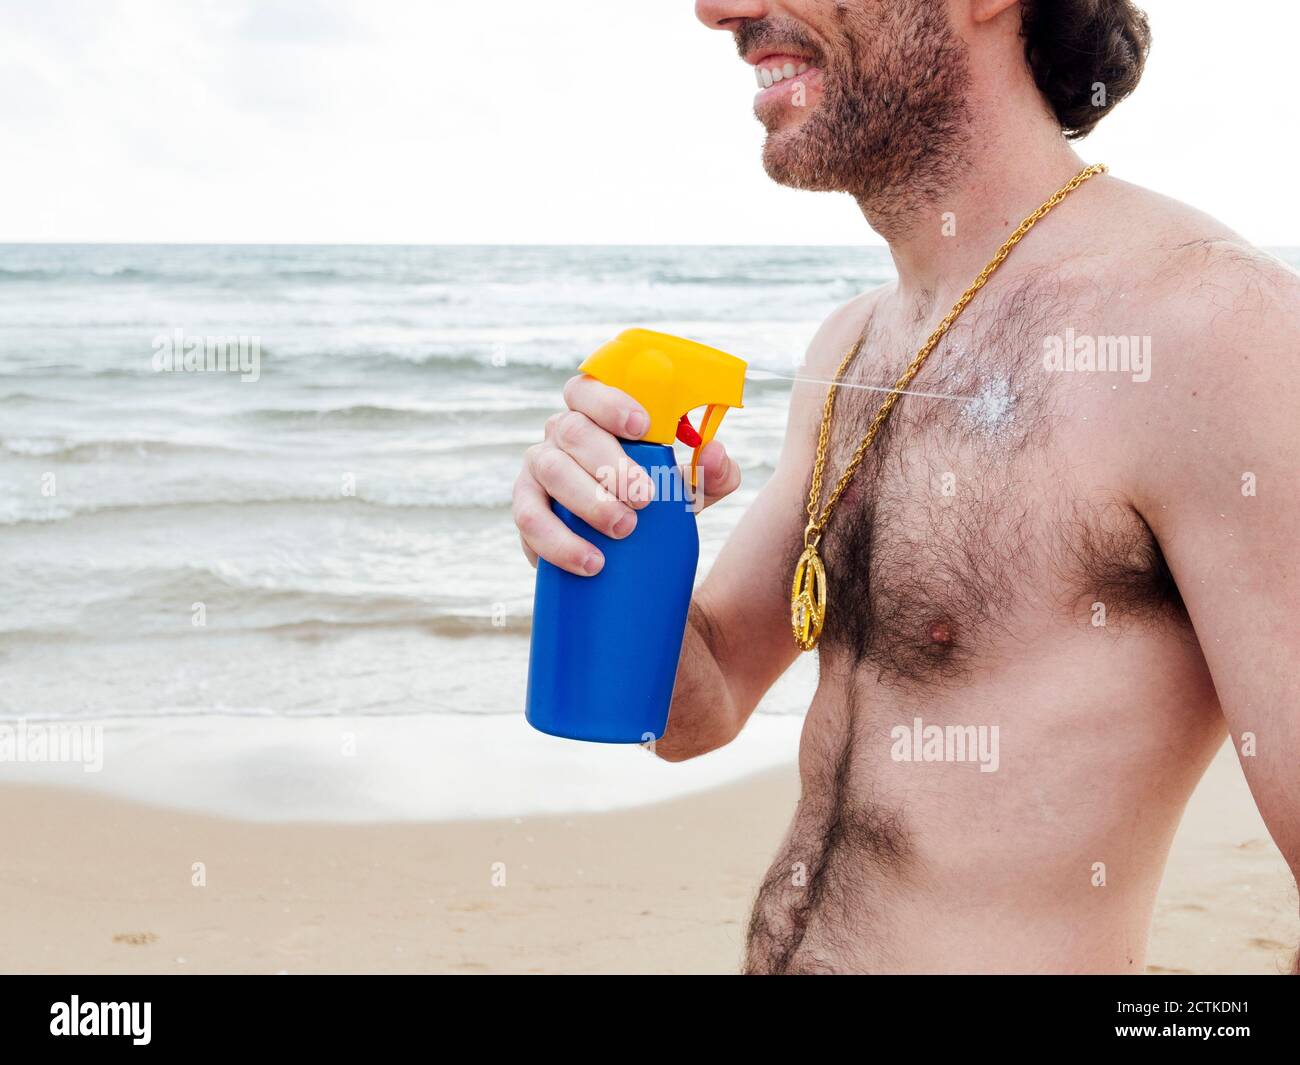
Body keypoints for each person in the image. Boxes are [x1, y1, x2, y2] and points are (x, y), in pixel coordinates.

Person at [511, 0, 1300, 974]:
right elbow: (693, 710)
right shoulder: (850, 346)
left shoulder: (1209, 334)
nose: (717, 9)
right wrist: (607, 531)